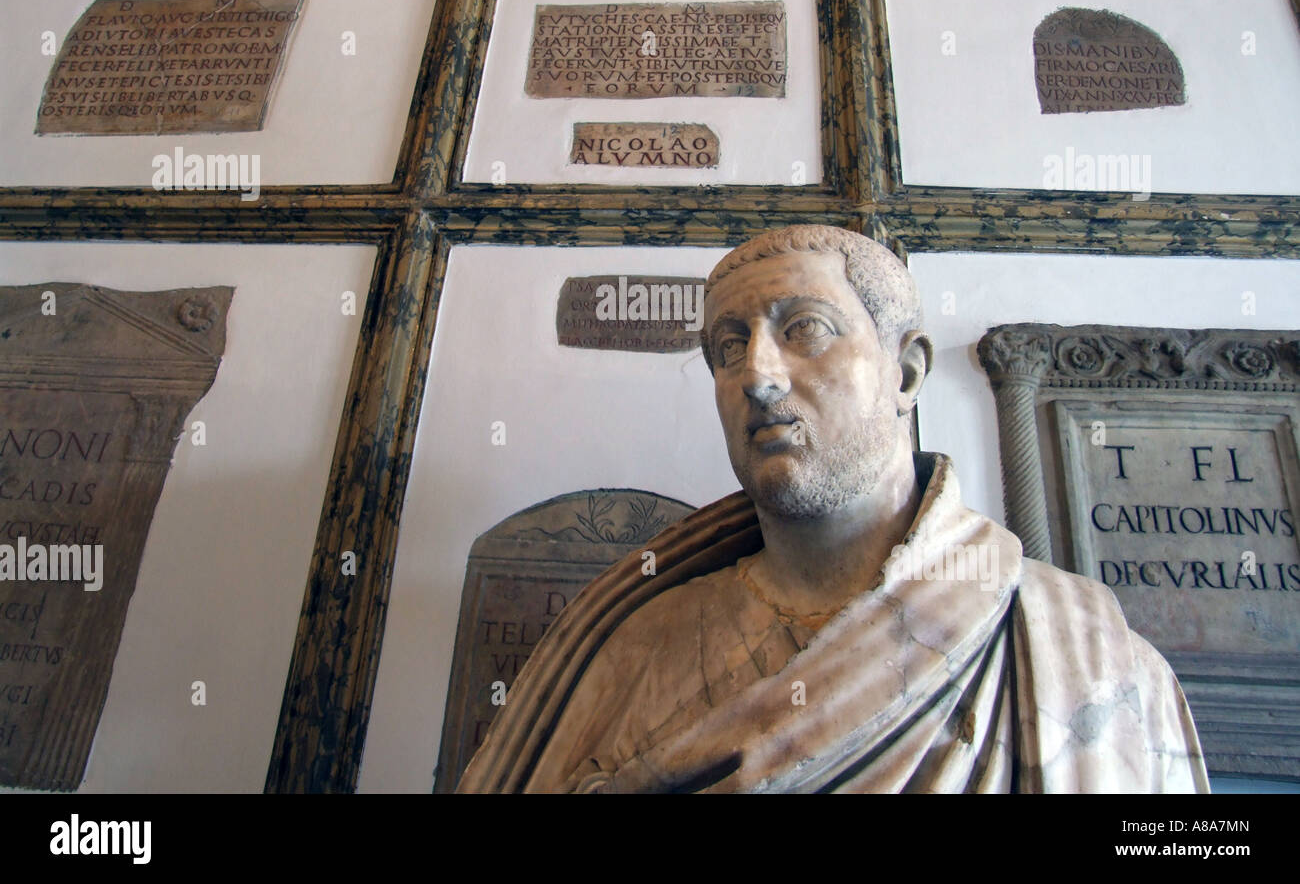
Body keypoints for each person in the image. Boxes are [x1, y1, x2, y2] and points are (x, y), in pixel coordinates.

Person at [458, 225, 1208, 793]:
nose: (757, 373)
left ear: (905, 371)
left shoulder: (1079, 656)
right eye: (727, 345)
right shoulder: (630, 649)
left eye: (803, 328)